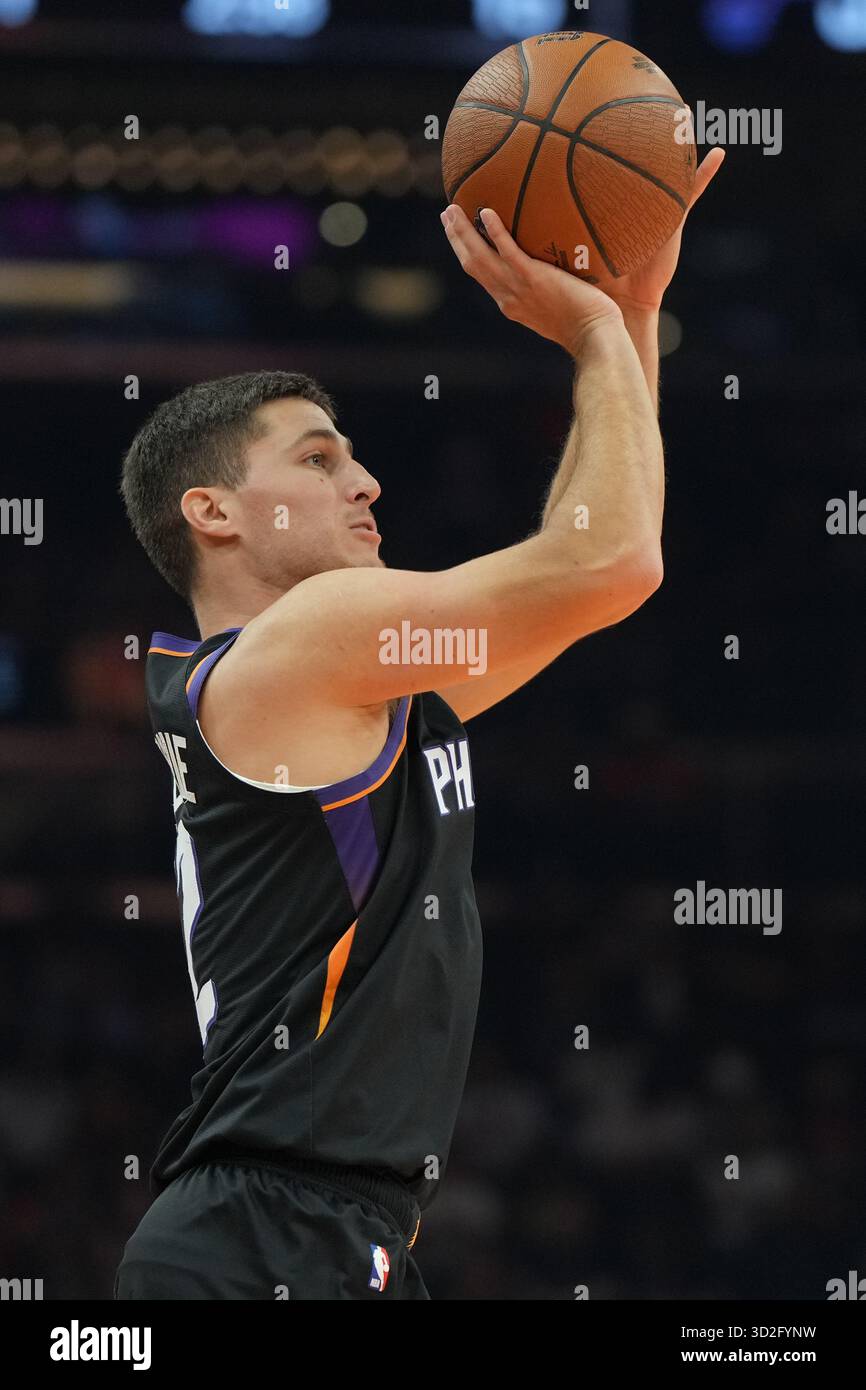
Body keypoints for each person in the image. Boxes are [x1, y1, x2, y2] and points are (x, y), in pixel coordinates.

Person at [113, 151, 723, 1300]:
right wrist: (593, 336)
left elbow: (595, 572)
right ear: (212, 513)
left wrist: (631, 317)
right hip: (257, 1238)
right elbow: (613, 559)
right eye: (317, 457)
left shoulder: (343, 681)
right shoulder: (312, 643)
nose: (368, 482)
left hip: (332, 1233)